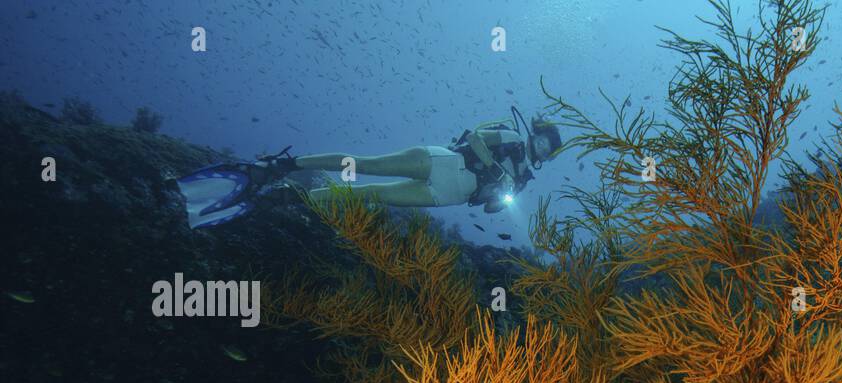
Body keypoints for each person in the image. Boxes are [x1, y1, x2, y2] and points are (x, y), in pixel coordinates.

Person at [177, 109, 562, 229]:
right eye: (544, 141)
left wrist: (501, 199)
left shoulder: (525, 178)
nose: (542, 149)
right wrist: (495, 169)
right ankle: (281, 166)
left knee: (366, 195)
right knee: (363, 166)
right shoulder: (511, 135)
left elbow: (493, 207)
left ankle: (286, 198)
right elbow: (476, 137)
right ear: (537, 135)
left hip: (447, 195)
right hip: (443, 160)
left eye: (549, 151)